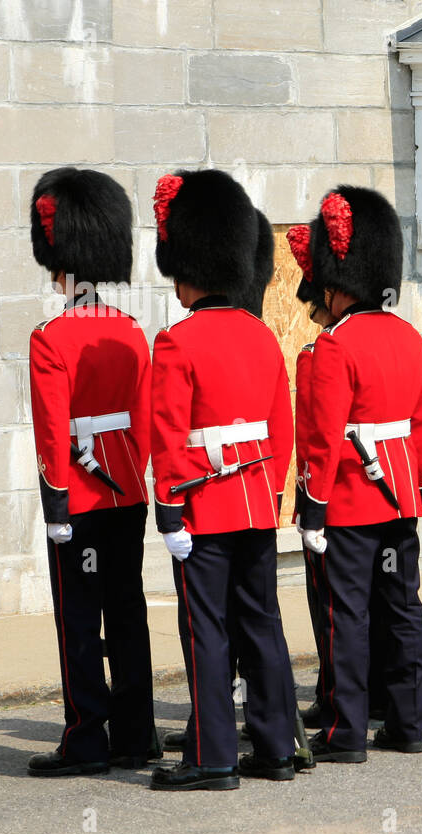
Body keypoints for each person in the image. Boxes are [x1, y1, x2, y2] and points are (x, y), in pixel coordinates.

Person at [148, 169, 298, 791]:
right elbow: (280, 430)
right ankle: (276, 748)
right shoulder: (263, 337)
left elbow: (168, 436)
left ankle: (212, 756)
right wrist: (269, 496)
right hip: (257, 505)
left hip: (204, 508)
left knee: (204, 628)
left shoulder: (175, 342)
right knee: (260, 621)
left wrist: (171, 511)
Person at [25, 167, 158, 777]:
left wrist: (56, 501)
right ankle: (137, 733)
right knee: (127, 610)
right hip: (128, 489)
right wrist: (134, 477)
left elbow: (53, 431)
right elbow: (146, 422)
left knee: (79, 618)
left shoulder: (52, 336)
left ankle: (86, 738)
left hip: (77, 497)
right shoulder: (131, 331)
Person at [295, 186, 422, 761]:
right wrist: (417, 485)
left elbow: (323, 438)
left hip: (350, 503)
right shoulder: (408, 336)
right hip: (400, 499)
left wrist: (313, 509)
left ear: (336, 284)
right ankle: (408, 723)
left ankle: (345, 730)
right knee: (403, 609)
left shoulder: (335, 344)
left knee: (344, 617)